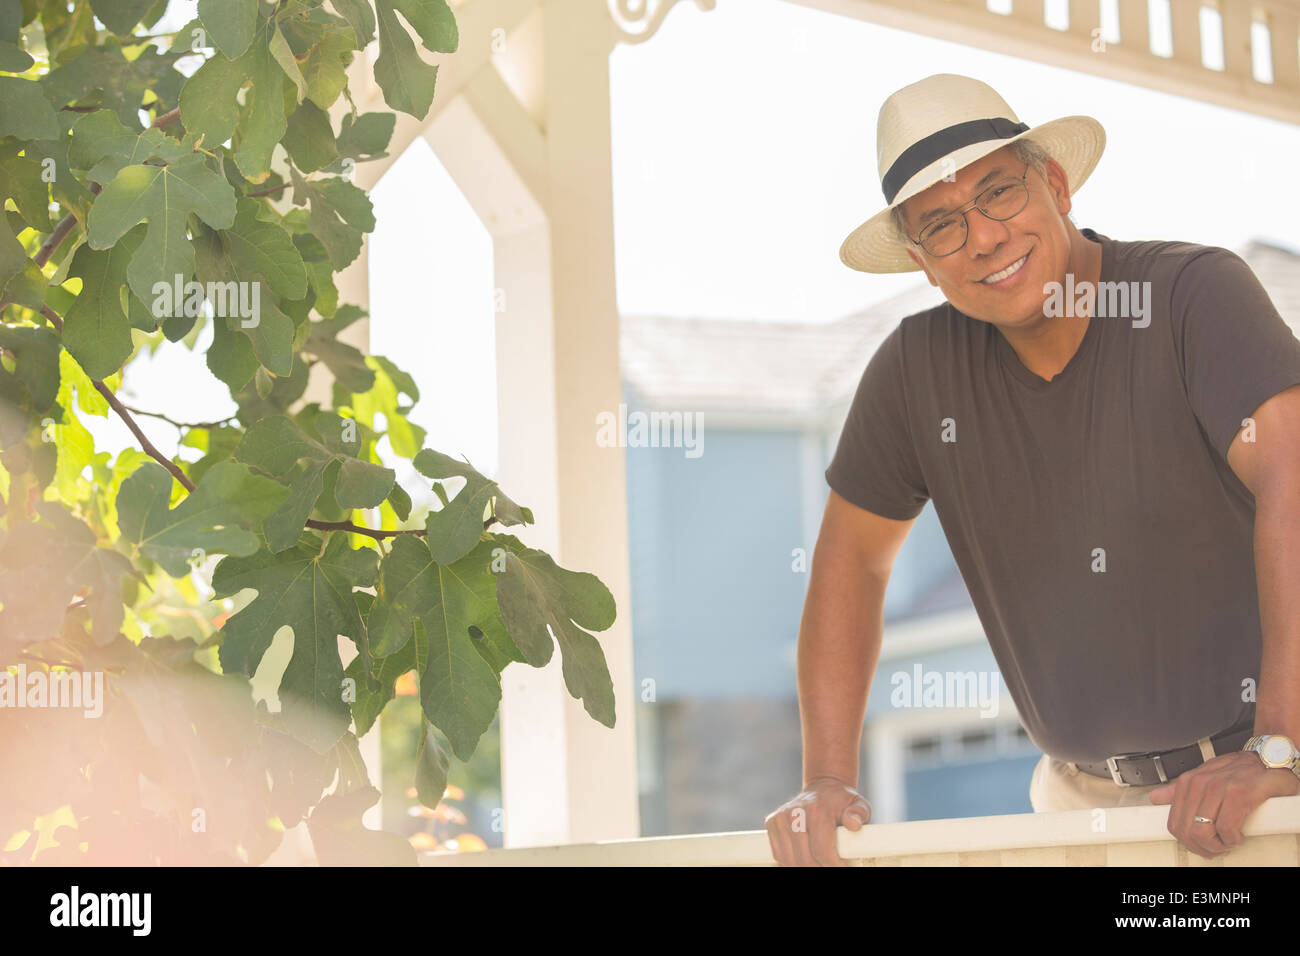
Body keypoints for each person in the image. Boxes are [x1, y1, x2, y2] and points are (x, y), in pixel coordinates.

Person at [765, 73, 1300, 867]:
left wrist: (1279, 749)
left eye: (999, 194)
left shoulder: (1193, 296)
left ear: (1054, 184)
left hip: (1262, 793)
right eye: (943, 226)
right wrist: (826, 777)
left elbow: (1291, 482)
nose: (982, 238)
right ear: (921, 261)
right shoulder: (915, 373)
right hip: (1076, 810)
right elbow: (851, 562)